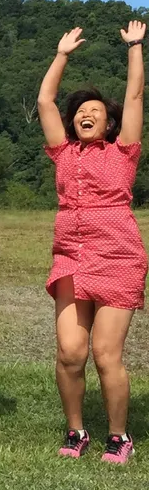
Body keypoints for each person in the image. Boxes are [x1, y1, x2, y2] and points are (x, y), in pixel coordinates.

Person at [37, 23, 147, 464]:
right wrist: (61, 54)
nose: (86, 113)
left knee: (105, 354)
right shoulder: (62, 152)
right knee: (69, 352)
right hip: (71, 256)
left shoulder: (124, 152)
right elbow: (45, 100)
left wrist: (135, 48)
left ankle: (119, 436)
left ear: (109, 121)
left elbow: (136, 96)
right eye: (81, 110)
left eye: (96, 110)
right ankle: (76, 430)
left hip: (118, 255)